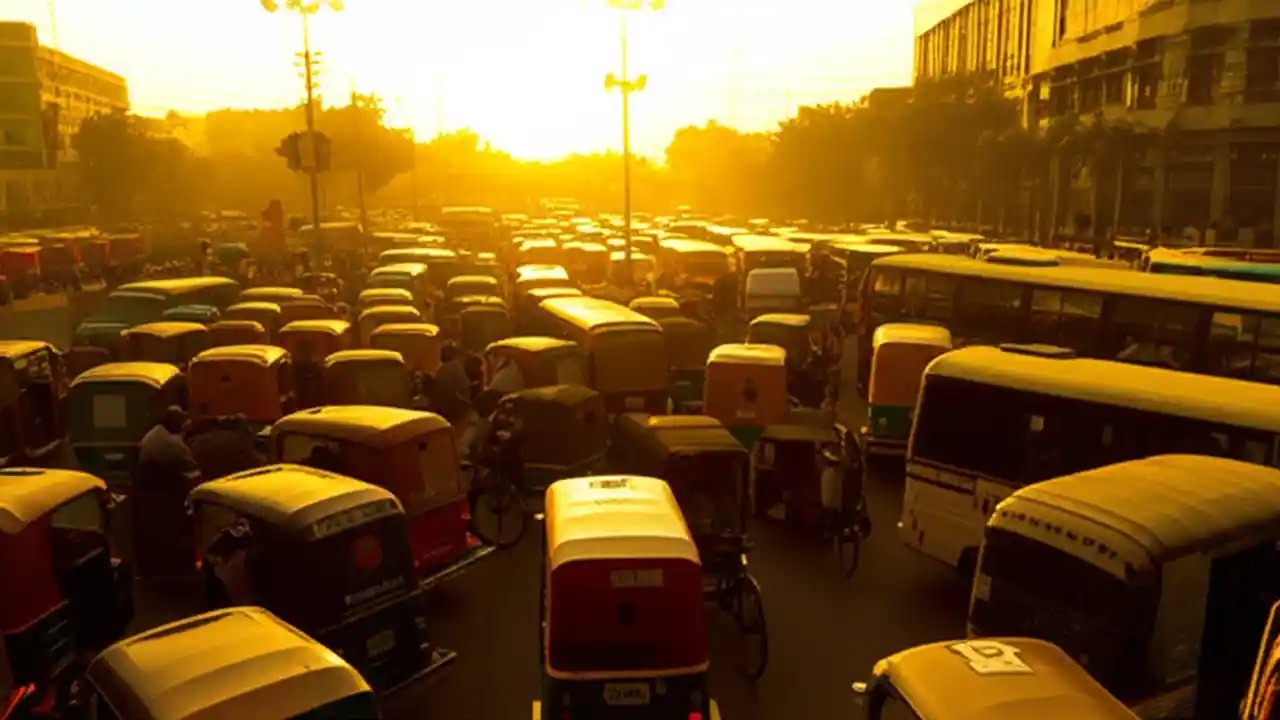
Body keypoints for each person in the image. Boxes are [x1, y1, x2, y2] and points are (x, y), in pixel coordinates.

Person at [134, 406, 201, 579]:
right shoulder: (170, 443)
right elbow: (193, 473)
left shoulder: (155, 433)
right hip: (163, 495)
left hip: (148, 492)